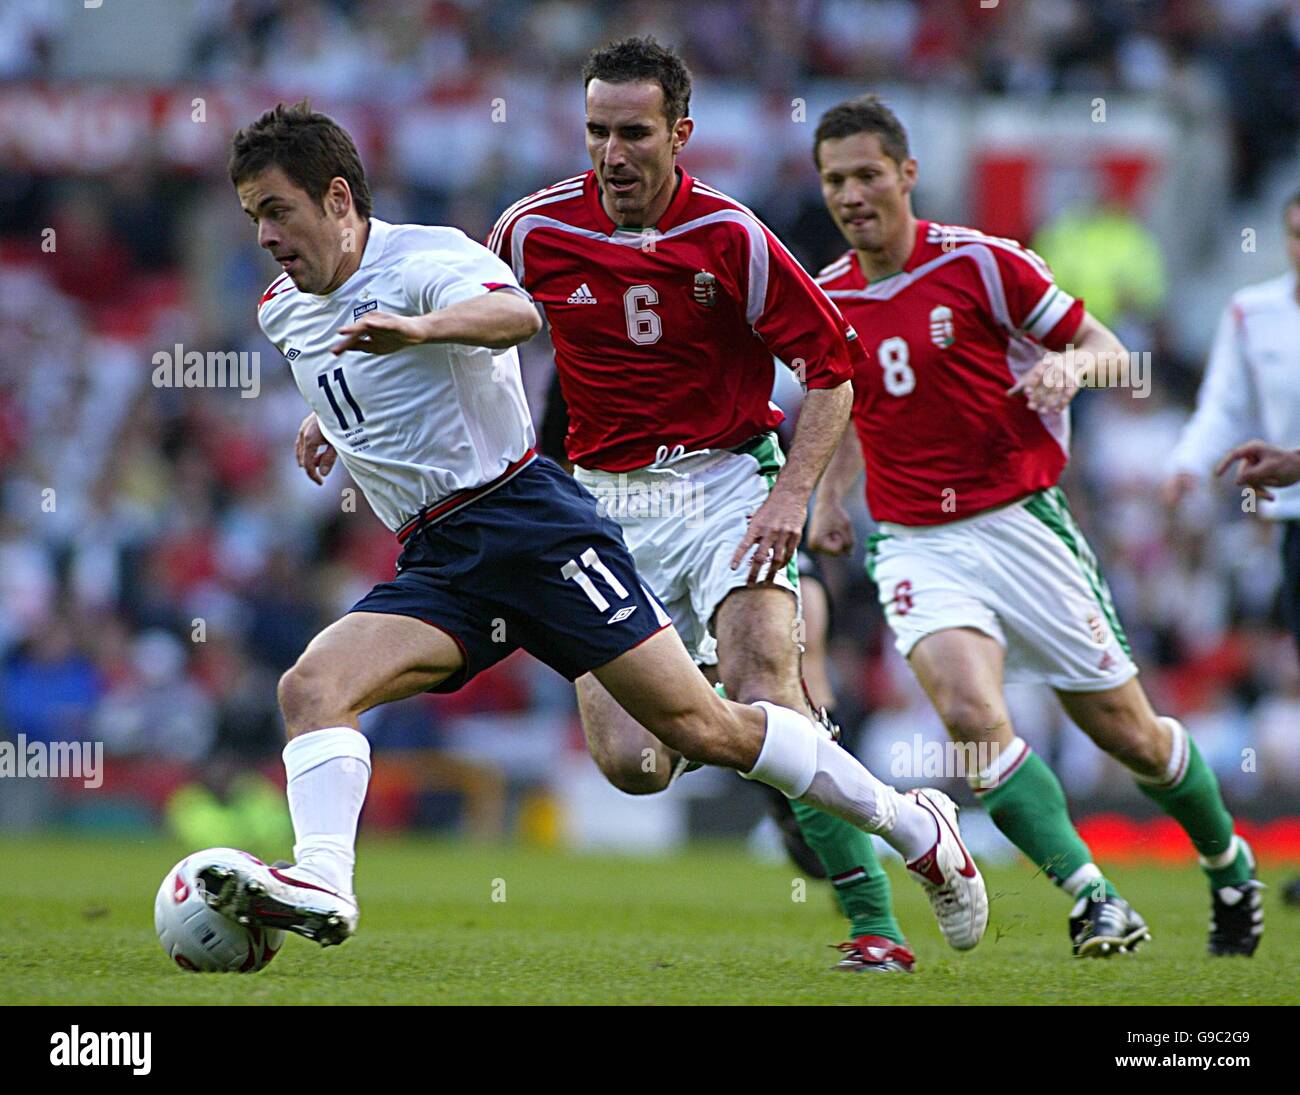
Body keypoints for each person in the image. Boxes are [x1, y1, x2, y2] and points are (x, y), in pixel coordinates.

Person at [194, 99, 987, 956]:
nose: (266, 234)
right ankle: (324, 882)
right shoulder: (284, 309)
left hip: (534, 529)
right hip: (441, 558)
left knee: (702, 726)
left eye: (278, 210)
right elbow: (356, 383)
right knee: (310, 688)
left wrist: (418, 330)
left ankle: (915, 826)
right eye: (252, 217)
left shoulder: (428, 259)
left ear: (339, 199)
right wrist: (331, 419)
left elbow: (515, 316)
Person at [487, 38, 956, 970]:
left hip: (726, 485)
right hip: (601, 509)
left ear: (680, 133)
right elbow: (462, 330)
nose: (612, 154)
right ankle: (764, 742)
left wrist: (791, 494)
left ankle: (878, 924)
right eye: (596, 132)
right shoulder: (531, 233)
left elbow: (835, 369)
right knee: (637, 765)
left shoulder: (734, 237)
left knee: (764, 683)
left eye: (633, 133)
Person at [807, 94, 1260, 958]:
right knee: (974, 721)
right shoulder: (830, 300)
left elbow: (1113, 348)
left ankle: (1228, 861)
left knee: (1130, 735)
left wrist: (1068, 368)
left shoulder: (984, 264)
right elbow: (853, 403)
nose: (852, 193)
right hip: (914, 539)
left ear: (907, 174)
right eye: (835, 180)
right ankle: (1095, 897)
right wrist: (832, 496)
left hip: (1022, 523)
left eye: (868, 173)